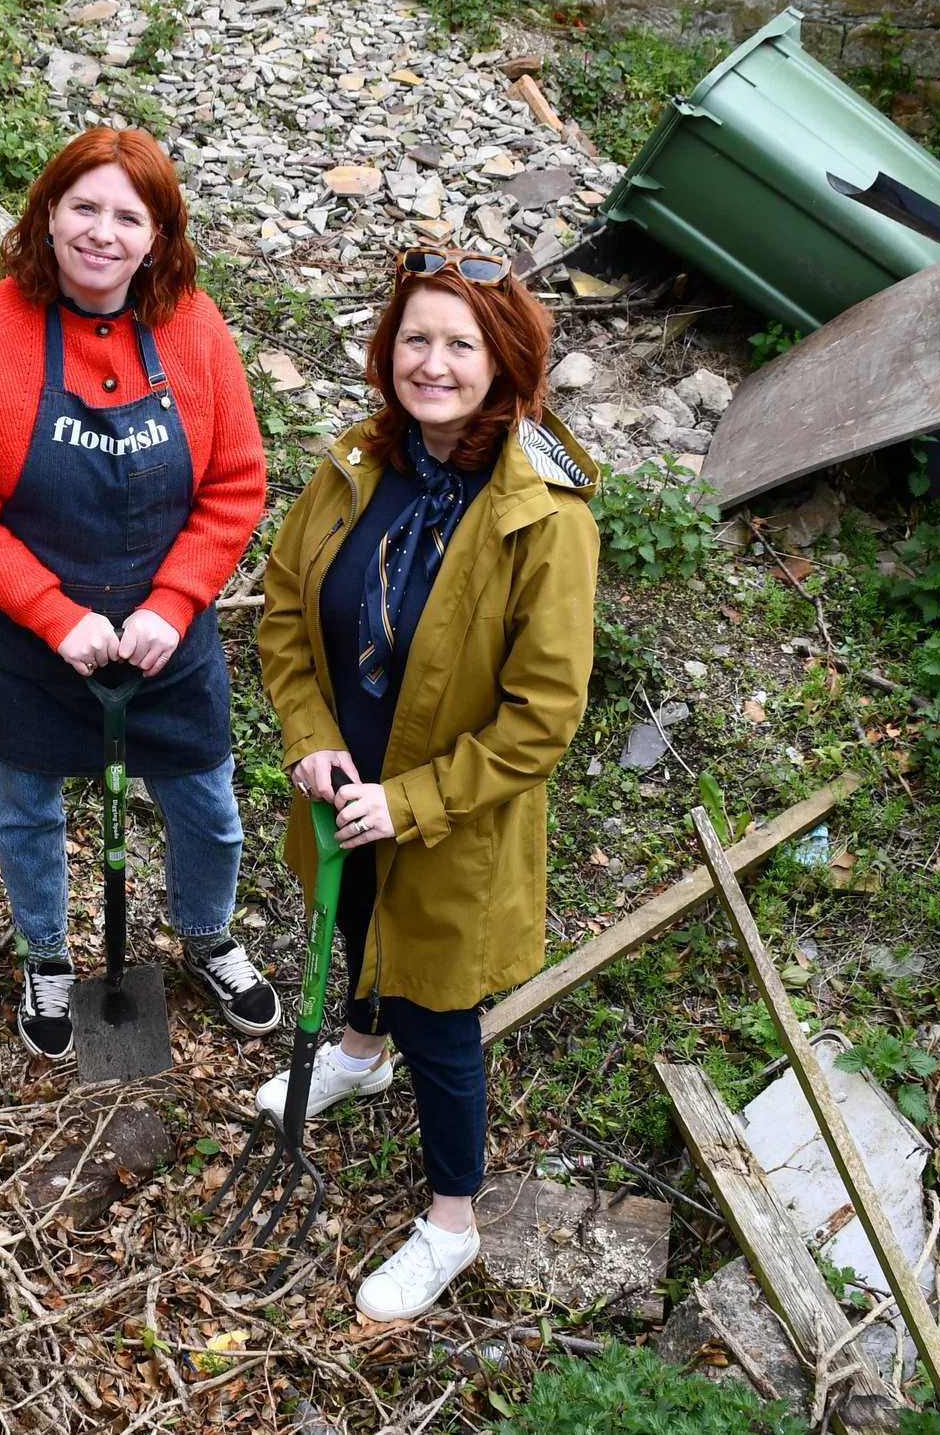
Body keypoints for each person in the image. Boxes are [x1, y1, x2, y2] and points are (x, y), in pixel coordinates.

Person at [256, 245, 601, 1322]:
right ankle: (359, 1050)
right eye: (416, 337)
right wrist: (311, 736)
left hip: (456, 818)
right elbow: (281, 607)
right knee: (357, 916)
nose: (434, 362)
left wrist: (407, 803)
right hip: (344, 783)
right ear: (386, 347)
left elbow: (543, 715)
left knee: (441, 1018)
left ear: (508, 362)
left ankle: (451, 1220)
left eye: (462, 342)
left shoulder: (545, 514)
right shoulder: (360, 459)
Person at [0, 127, 277, 1063]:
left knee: (207, 803)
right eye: (84, 207)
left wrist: (174, 602)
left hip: (166, 624)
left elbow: (237, 482)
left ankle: (208, 934)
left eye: (129, 214)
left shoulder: (194, 328)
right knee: (27, 805)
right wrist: (55, 615)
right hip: (29, 631)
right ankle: (46, 953)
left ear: (158, 235)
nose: (103, 232)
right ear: (47, 214)